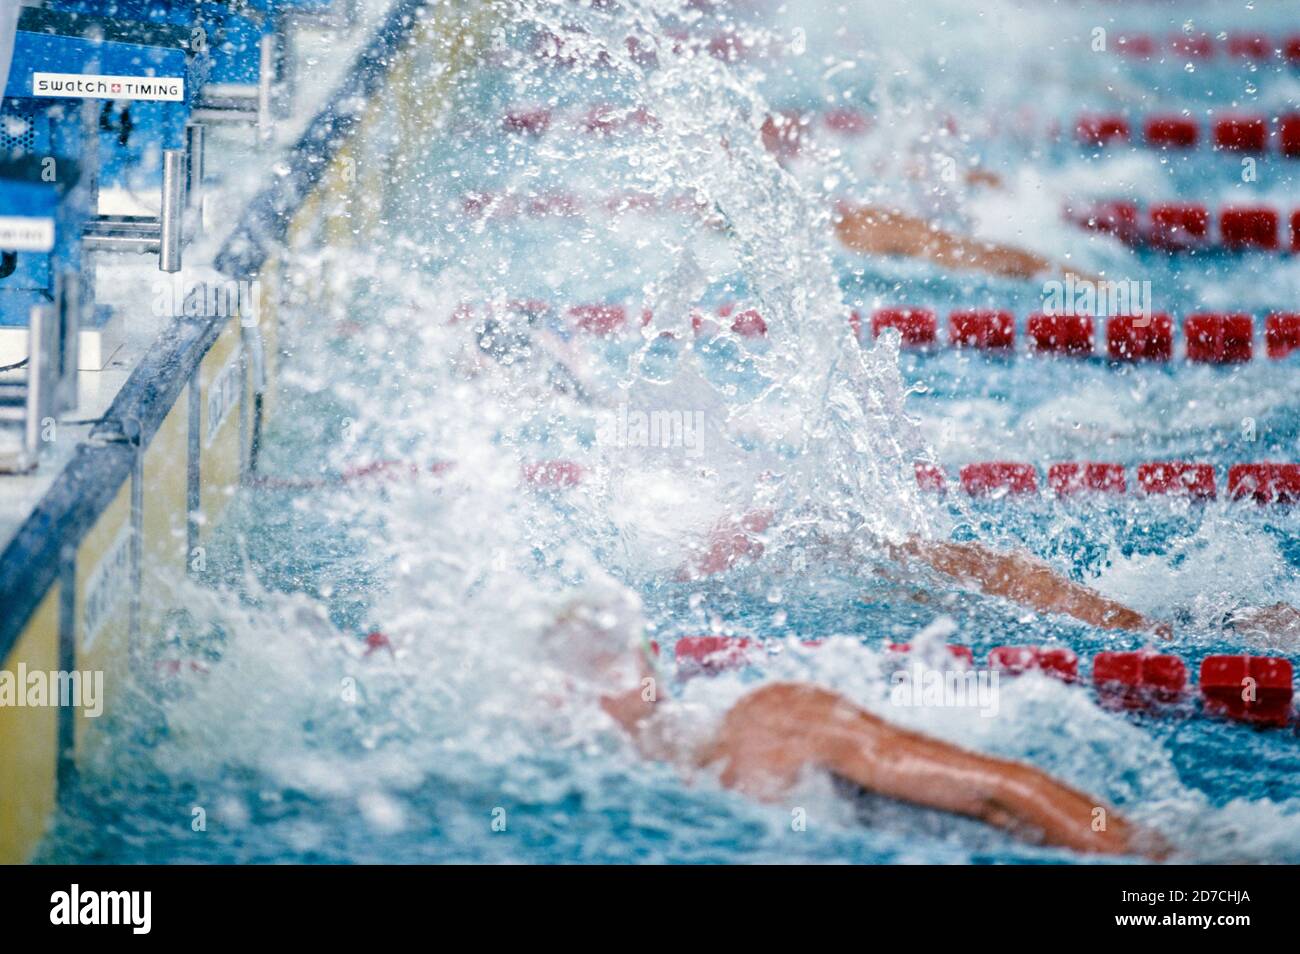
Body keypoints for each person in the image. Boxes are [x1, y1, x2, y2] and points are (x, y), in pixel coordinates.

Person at [544, 590, 1167, 858]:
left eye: (603, 662)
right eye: (579, 670)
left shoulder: (775, 721)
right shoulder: (624, 788)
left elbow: (1002, 788)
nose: (587, 690)